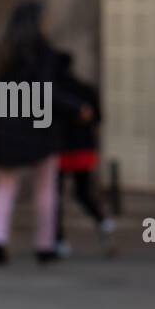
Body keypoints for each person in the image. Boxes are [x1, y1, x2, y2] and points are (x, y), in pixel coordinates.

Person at [0, 1, 84, 265]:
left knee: (5, 186)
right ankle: (45, 244)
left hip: (3, 128)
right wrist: (77, 107)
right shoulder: (41, 54)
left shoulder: (1, 51)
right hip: (37, 128)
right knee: (45, 188)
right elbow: (47, 92)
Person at [53, 57, 116, 256]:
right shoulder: (86, 90)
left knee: (55, 197)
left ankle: (59, 240)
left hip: (60, 150)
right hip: (83, 150)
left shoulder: (55, 93)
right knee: (82, 192)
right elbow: (98, 118)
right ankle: (102, 221)